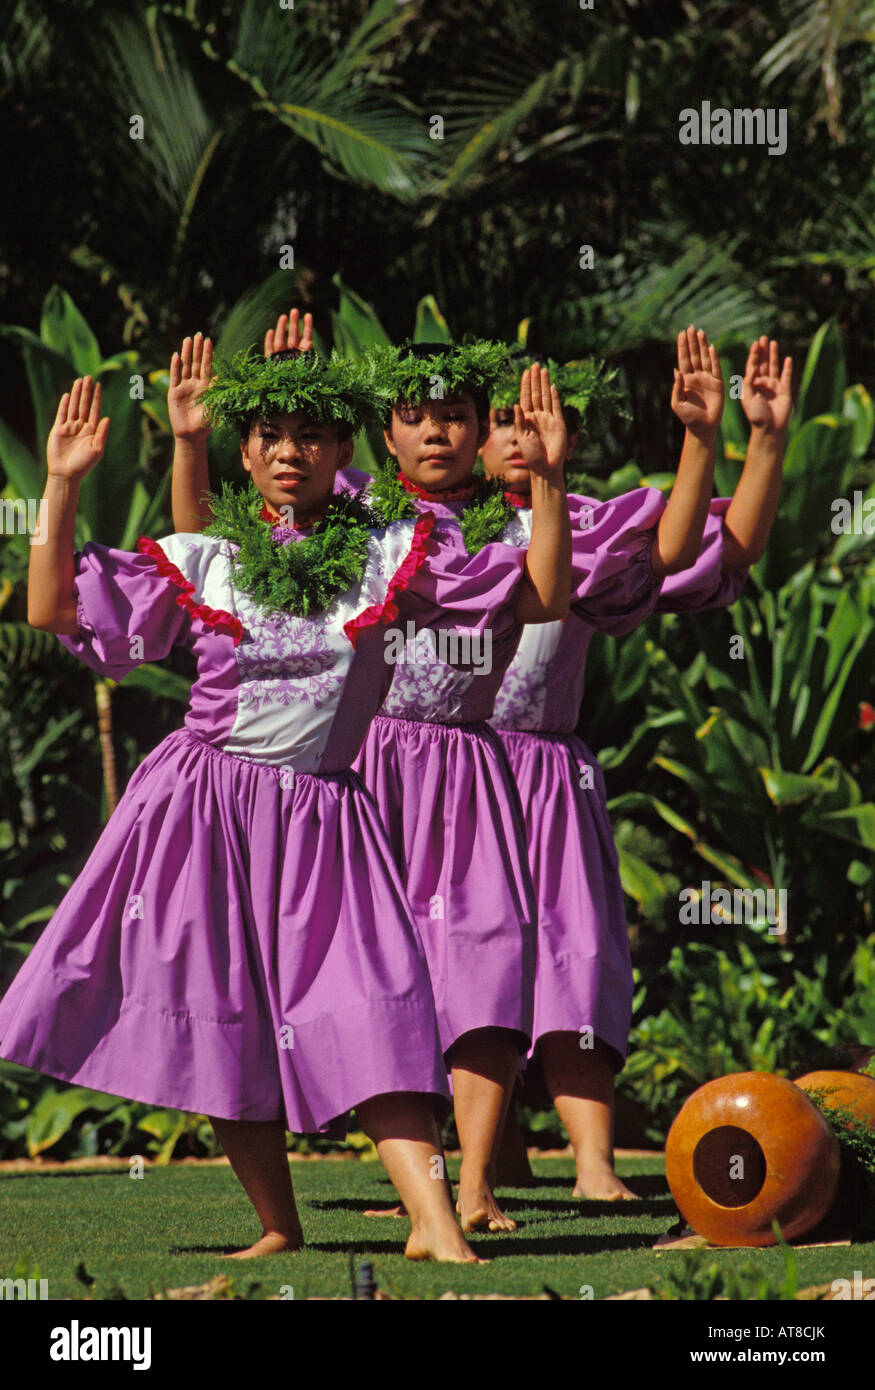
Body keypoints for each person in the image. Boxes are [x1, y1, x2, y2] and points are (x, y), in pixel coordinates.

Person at [0, 347, 544, 1263]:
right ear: (245, 453)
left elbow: (541, 596)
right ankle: (279, 1226)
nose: (290, 451)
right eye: (270, 435)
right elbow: (52, 611)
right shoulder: (205, 558)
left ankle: (435, 1221)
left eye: (311, 435)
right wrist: (60, 485)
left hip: (327, 817)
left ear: (344, 452)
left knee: (375, 1003)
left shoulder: (390, 551)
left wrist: (552, 478)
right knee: (225, 1009)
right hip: (203, 807)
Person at [481, 332, 791, 1198]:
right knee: (455, 967)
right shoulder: (419, 527)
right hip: (438, 782)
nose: (520, 434)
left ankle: (592, 1162)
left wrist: (746, 441)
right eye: (501, 419)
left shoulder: (588, 527)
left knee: (573, 962)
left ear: (572, 436)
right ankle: (485, 1159)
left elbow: (716, 551)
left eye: (541, 418)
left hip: (545, 779)